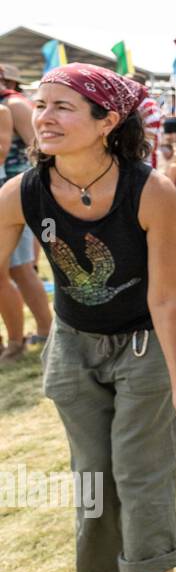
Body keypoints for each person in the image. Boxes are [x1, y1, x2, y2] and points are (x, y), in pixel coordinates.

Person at [0, 64, 176, 572]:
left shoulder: (151, 190)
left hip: (143, 345)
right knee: (92, 474)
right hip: (73, 346)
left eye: (63, 107)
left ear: (107, 121)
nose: (44, 118)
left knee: (140, 473)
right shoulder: (24, 191)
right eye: (41, 106)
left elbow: (166, 296)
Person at [0, 63, 55, 354]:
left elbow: (40, 150)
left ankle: (46, 329)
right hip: (9, 192)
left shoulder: (14, 105)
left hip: (16, 192)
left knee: (20, 268)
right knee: (18, 268)